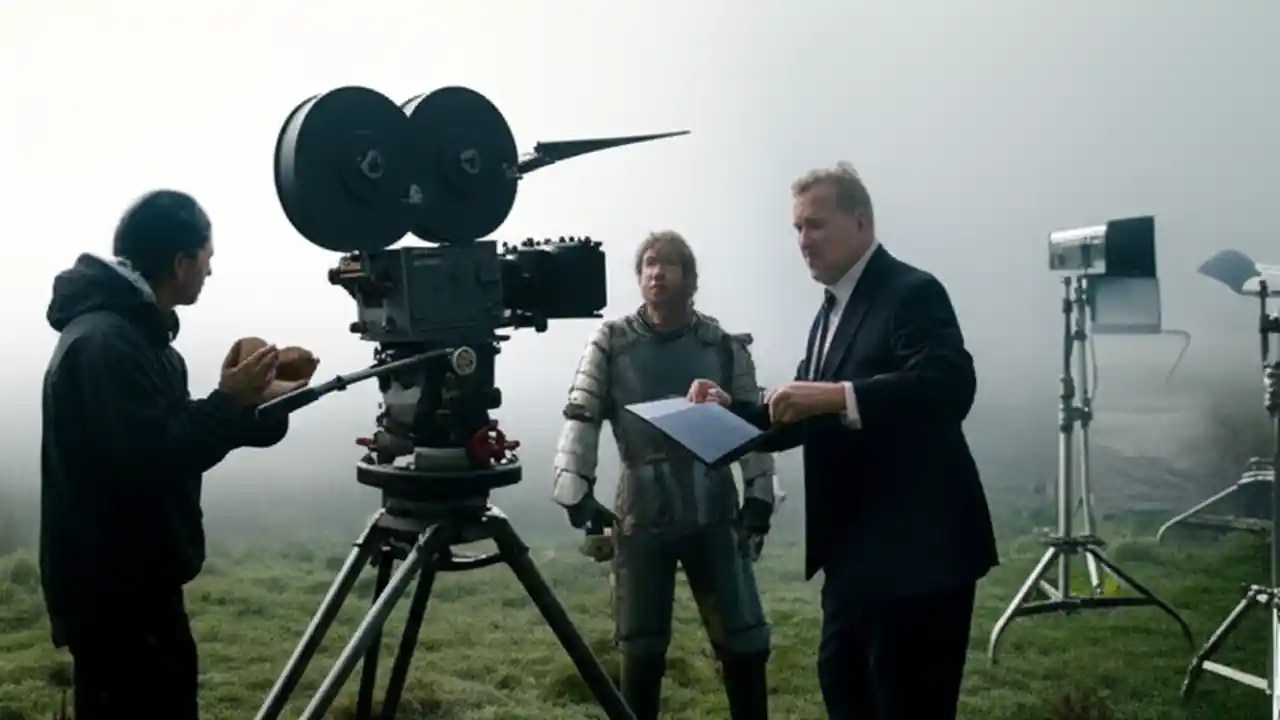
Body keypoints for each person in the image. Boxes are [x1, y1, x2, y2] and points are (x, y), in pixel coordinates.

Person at [688, 163, 999, 719]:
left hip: (921, 559)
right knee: (844, 690)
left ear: (860, 222)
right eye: (797, 229)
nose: (804, 241)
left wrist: (835, 396)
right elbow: (801, 415)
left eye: (816, 225)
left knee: (907, 706)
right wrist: (729, 412)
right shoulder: (829, 309)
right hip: (852, 560)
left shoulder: (913, 291)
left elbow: (948, 387)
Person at [39, 190, 311, 719]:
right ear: (180, 262)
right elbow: (153, 457)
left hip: (138, 583)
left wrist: (257, 405)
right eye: (206, 259)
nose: (211, 271)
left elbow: (176, 432)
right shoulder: (105, 344)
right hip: (115, 595)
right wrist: (228, 401)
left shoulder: (139, 340)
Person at [552, 230, 780, 720]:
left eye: (668, 264)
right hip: (641, 509)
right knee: (640, 642)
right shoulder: (612, 343)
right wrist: (576, 489)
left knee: (743, 637)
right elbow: (582, 413)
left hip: (713, 505)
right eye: (649, 264)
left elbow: (750, 423)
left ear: (689, 277)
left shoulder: (720, 345)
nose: (656, 273)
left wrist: (760, 495)